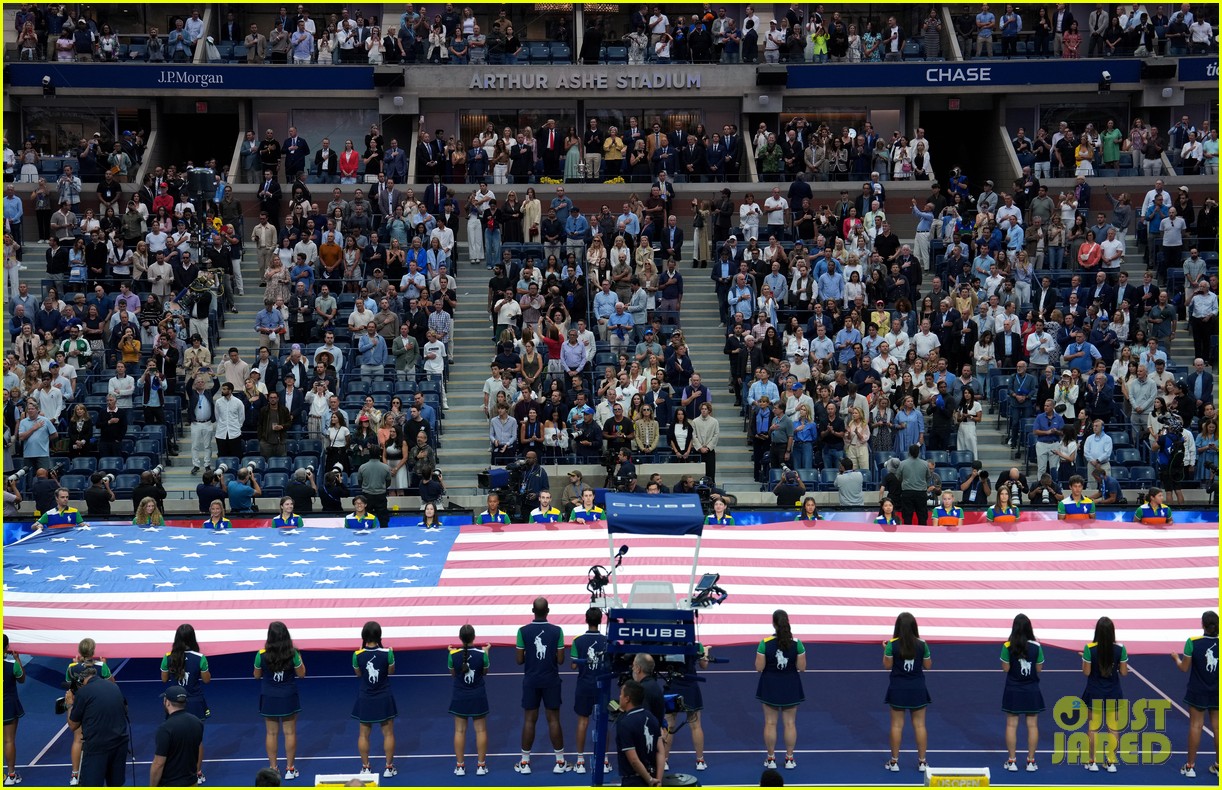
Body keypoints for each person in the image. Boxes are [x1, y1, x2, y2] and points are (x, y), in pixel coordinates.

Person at [515, 597, 569, 774]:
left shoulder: (522, 631)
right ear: (548, 611)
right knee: (553, 719)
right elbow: (561, 660)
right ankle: (560, 762)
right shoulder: (557, 631)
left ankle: (524, 763)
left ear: (533, 611)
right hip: (551, 680)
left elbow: (519, 660)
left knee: (530, 720)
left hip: (531, 681)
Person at [254, 621, 306, 781]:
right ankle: (290, 769)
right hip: (287, 697)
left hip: (269, 697)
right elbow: (302, 674)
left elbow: (256, 675)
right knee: (289, 732)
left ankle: (273, 769)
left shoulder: (261, 654)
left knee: (271, 733)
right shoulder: (293, 654)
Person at [1171, 610, 1219, 779]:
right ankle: (1219, 766)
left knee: (1196, 726)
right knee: (1218, 727)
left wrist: (1176, 658)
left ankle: (1190, 766)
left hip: (1198, 691)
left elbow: (1184, 668)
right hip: (1217, 691)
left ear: (1203, 624)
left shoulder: (1192, 642)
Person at [159, 624, 210, 782]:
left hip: (174, 703)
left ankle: (178, 771)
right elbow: (207, 680)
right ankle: (197, 772)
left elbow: (164, 679)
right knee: (198, 739)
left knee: (174, 738)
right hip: (194, 702)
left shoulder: (168, 657)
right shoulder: (200, 657)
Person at [755, 609, 805, 771]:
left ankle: (771, 759)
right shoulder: (797, 643)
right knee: (790, 723)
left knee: (770, 723)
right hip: (790, 685)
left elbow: (759, 667)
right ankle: (789, 759)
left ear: (773, 624)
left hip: (770, 685)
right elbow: (801, 667)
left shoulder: (765, 643)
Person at [884, 611, 932, 772]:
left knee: (897, 725)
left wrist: (886, 650)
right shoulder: (922, 644)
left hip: (898, 689)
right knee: (920, 725)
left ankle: (894, 762)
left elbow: (887, 665)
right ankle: (922, 762)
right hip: (917, 688)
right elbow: (928, 665)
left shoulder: (892, 644)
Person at [66, 664, 129, 788]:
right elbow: (125, 709)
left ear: (79, 679)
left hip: (97, 747)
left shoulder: (84, 692)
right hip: (120, 744)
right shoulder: (113, 686)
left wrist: (70, 705)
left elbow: (73, 725)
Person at [1081, 616, 1128, 772]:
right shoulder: (1120, 649)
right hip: (1113, 692)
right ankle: (1111, 762)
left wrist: (1085, 659)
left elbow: (1086, 672)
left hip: (1095, 692)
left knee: (1093, 727)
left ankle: (1092, 761)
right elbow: (1123, 672)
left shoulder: (1089, 648)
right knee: (1113, 728)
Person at [352, 621, 397, 778]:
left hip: (366, 698)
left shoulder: (357, 655)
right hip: (384, 696)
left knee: (364, 734)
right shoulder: (388, 653)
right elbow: (391, 671)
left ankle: (365, 768)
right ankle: (389, 768)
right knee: (388, 734)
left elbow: (359, 674)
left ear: (364, 636)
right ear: (379, 636)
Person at [1000, 614, 1044, 773]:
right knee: (1032, 725)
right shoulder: (1037, 647)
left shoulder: (1007, 646)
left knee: (1011, 725)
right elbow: (1039, 669)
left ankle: (1011, 761)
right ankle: (1031, 762)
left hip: (1013, 689)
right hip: (1031, 690)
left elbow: (1005, 669)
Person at [570, 608, 609, 775]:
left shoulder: (578, 641)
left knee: (582, 722)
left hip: (584, 686)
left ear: (586, 620)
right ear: (600, 621)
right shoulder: (607, 641)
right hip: (602, 687)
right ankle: (605, 760)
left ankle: (580, 760)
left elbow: (573, 665)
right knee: (602, 724)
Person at [450, 624, 491, 776]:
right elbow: (485, 672)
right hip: (478, 696)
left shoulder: (453, 655)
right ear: (474, 637)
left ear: (460, 638)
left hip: (460, 697)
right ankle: (481, 766)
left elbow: (453, 673)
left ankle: (460, 766)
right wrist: (486, 652)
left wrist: (452, 653)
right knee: (481, 730)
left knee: (459, 731)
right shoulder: (482, 655)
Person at [667, 636, 711, 773]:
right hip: (690, 688)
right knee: (696, 725)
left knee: (669, 726)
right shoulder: (697, 645)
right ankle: (700, 761)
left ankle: (664, 761)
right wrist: (706, 652)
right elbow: (704, 665)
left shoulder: (668, 645)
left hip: (673, 686)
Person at [149, 685, 205, 787]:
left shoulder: (165, 728)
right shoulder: (197, 722)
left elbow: (158, 764)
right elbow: (199, 749)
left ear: (167, 702)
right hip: (191, 783)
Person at [615, 679, 664, 786]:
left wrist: (650, 780)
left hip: (633, 781)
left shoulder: (625, 723)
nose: (619, 697)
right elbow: (660, 751)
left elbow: (634, 760)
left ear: (627, 699)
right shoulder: (652, 718)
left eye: (621, 695)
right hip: (653, 776)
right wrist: (658, 781)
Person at [3, 634, 25, 788]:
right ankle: (11, 775)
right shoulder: (12, 665)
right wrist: (17, 659)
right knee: (8, 740)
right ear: (6, 647)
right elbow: (22, 678)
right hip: (8, 706)